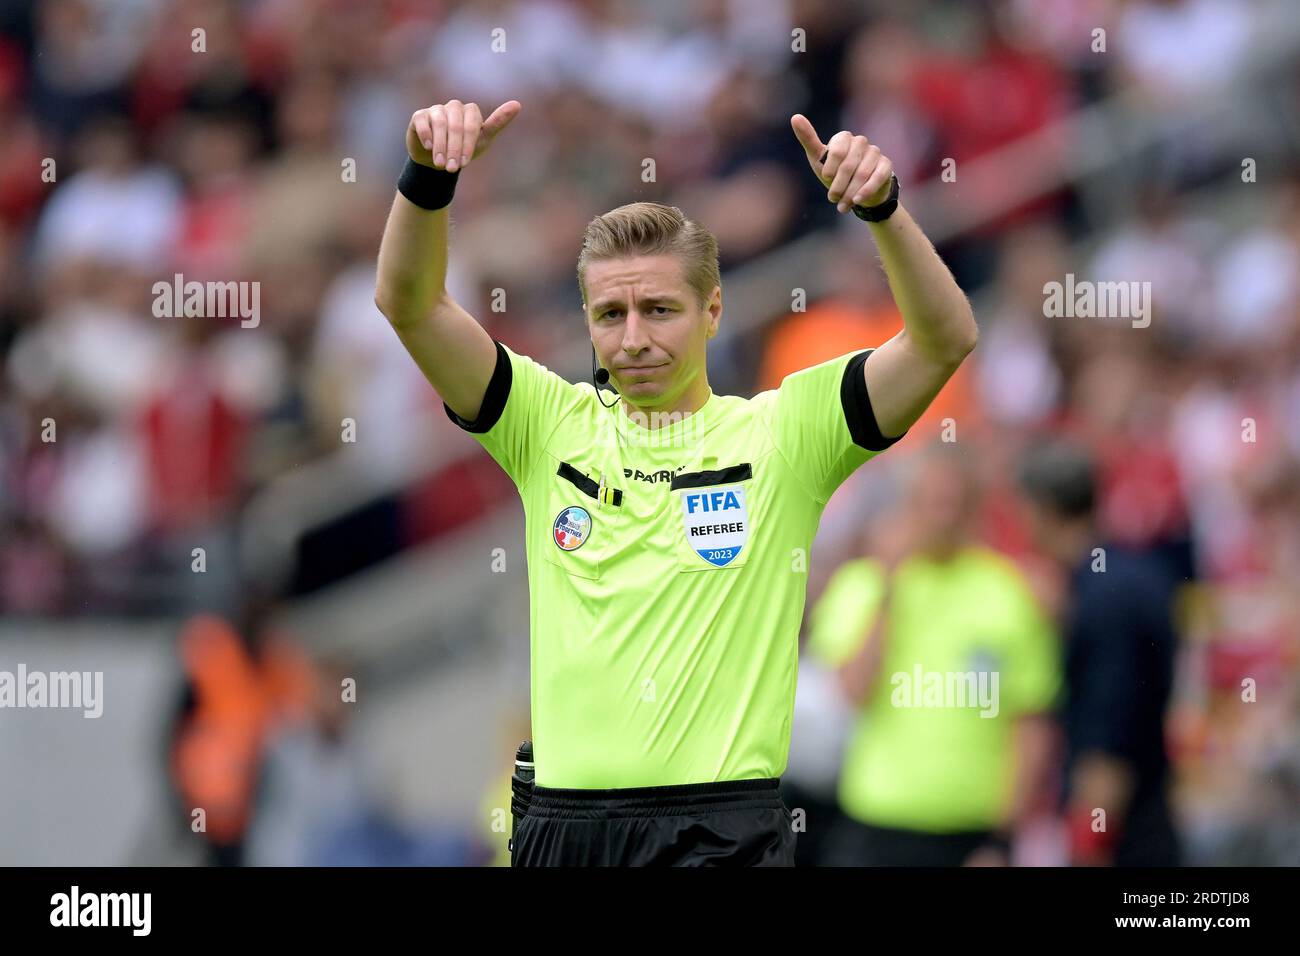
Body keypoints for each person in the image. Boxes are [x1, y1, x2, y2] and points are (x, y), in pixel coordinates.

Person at [373, 98, 978, 866]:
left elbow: (944, 339)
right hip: (563, 833)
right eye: (611, 313)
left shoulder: (786, 433)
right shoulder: (543, 424)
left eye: (660, 310)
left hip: (716, 836)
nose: (634, 339)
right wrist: (427, 178)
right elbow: (410, 303)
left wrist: (884, 213)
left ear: (713, 310)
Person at [809, 443, 1060, 866]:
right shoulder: (864, 586)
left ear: (973, 508)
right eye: (931, 501)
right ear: (907, 505)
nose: (943, 515)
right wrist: (888, 588)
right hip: (878, 825)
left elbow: (1031, 725)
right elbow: (853, 692)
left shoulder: (1009, 593)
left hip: (970, 835)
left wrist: (1002, 839)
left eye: (955, 502)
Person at [1018, 438, 1181, 866]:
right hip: (1150, 807)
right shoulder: (1128, 574)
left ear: (1042, 509)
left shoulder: (1103, 599)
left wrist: (1089, 841)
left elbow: (1109, 737)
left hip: (1127, 837)